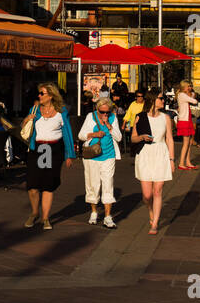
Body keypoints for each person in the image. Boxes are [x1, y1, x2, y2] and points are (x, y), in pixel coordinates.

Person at [23, 83, 75, 230]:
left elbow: (67, 134)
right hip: (37, 149)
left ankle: (45, 218)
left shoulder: (61, 112)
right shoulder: (34, 110)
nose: (39, 96)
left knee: (48, 185)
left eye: (42, 93)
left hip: (54, 150)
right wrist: (27, 119)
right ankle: (34, 213)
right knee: (32, 185)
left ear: (51, 96)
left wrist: (69, 155)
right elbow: (24, 129)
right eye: (39, 93)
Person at [132, 90, 175, 234]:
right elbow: (133, 138)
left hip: (161, 153)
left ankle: (155, 223)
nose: (163, 101)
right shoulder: (140, 117)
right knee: (147, 195)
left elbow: (169, 138)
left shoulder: (166, 118)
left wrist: (172, 159)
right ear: (152, 100)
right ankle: (150, 210)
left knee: (157, 191)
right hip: (145, 154)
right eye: (161, 98)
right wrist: (142, 137)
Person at [78, 99, 123, 228]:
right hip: (92, 155)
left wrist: (109, 126)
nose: (105, 114)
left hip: (108, 155)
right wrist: (94, 134)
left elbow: (119, 137)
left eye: (107, 112)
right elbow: (81, 135)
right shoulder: (90, 117)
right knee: (93, 184)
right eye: (102, 112)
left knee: (108, 184)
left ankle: (108, 216)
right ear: (97, 110)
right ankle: (94, 212)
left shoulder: (112, 118)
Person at [174, 80, 199, 171]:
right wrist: (191, 94)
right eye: (188, 86)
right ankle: (181, 163)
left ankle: (187, 162)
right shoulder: (182, 95)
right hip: (184, 121)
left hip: (186, 120)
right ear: (184, 86)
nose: (190, 88)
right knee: (186, 143)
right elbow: (194, 101)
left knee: (188, 143)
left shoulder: (182, 95)